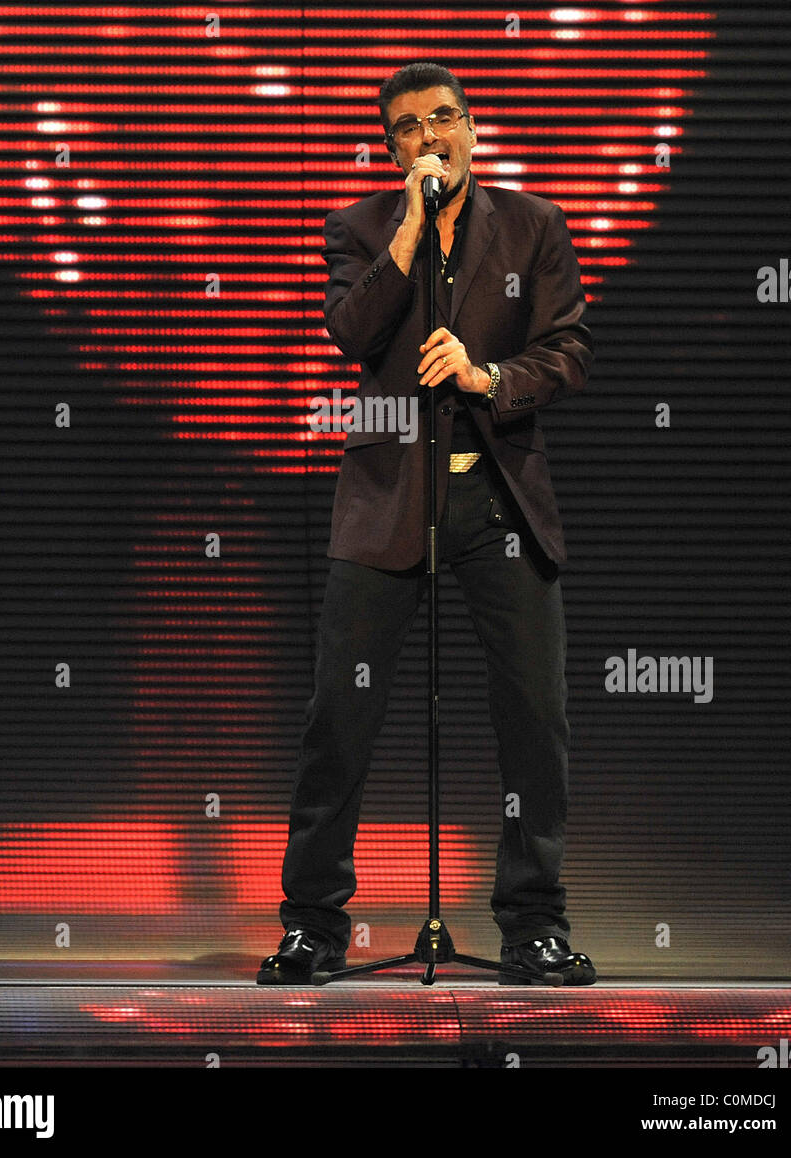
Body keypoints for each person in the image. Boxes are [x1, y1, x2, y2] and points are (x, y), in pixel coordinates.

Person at [258, 61, 597, 986]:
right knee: (340, 718)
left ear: (472, 128)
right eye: (409, 126)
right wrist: (408, 233)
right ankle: (313, 926)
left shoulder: (533, 226)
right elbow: (351, 333)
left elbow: (567, 349)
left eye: (444, 118)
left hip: (496, 497)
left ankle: (532, 924)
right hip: (387, 499)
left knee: (535, 716)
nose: (430, 136)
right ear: (392, 146)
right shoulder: (361, 228)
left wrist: (489, 379)